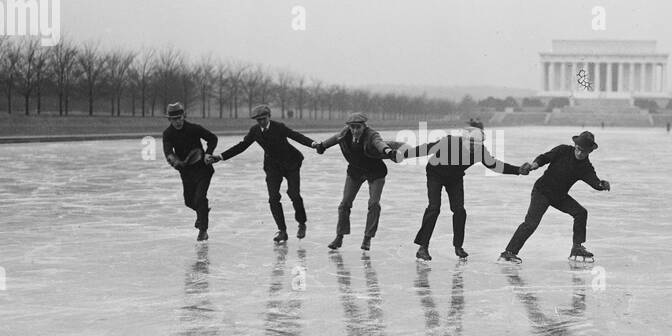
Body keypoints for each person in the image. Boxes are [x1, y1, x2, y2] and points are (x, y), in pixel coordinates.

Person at [406, 119, 527, 261]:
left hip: (455, 179)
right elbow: (426, 148)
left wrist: (518, 170)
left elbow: (494, 165)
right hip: (435, 174)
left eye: (476, 143)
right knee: (434, 208)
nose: (472, 146)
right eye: (470, 142)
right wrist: (402, 154)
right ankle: (423, 247)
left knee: (459, 210)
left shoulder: (480, 150)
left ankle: (458, 246)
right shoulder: (449, 142)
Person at [208, 104, 317, 243]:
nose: (261, 122)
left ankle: (301, 223)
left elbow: (296, 136)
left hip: (291, 163)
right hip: (272, 167)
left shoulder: (279, 127)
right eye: (258, 120)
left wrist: (313, 144)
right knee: (273, 198)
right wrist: (221, 157)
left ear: (269, 117)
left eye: (263, 118)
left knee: (294, 194)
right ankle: (282, 231)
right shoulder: (255, 131)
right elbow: (242, 146)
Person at [499, 130, 611, 263]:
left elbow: (594, 181)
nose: (580, 153)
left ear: (590, 152)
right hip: (542, 191)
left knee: (581, 213)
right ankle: (509, 252)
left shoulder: (585, 167)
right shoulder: (563, 150)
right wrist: (534, 165)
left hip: (559, 196)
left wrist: (601, 184)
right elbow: (544, 158)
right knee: (531, 223)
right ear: (575, 145)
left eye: (584, 151)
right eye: (578, 149)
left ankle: (577, 247)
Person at [314, 113, 403, 251]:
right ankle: (339, 236)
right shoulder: (344, 134)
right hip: (355, 172)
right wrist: (322, 146)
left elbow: (380, 144)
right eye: (352, 127)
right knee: (344, 203)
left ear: (364, 126)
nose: (355, 130)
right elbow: (333, 139)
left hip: (375, 172)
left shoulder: (372, 135)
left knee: (374, 204)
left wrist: (388, 152)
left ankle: (367, 238)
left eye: (358, 127)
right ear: (348, 127)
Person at [161, 102, 219, 240]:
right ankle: (202, 212)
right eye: (174, 119)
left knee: (200, 198)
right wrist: (177, 163)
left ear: (184, 116)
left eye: (180, 117)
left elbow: (212, 138)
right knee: (189, 202)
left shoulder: (194, 128)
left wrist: (208, 153)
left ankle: (203, 231)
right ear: (169, 119)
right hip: (186, 171)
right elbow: (168, 153)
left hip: (203, 170)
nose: (178, 121)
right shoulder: (168, 134)